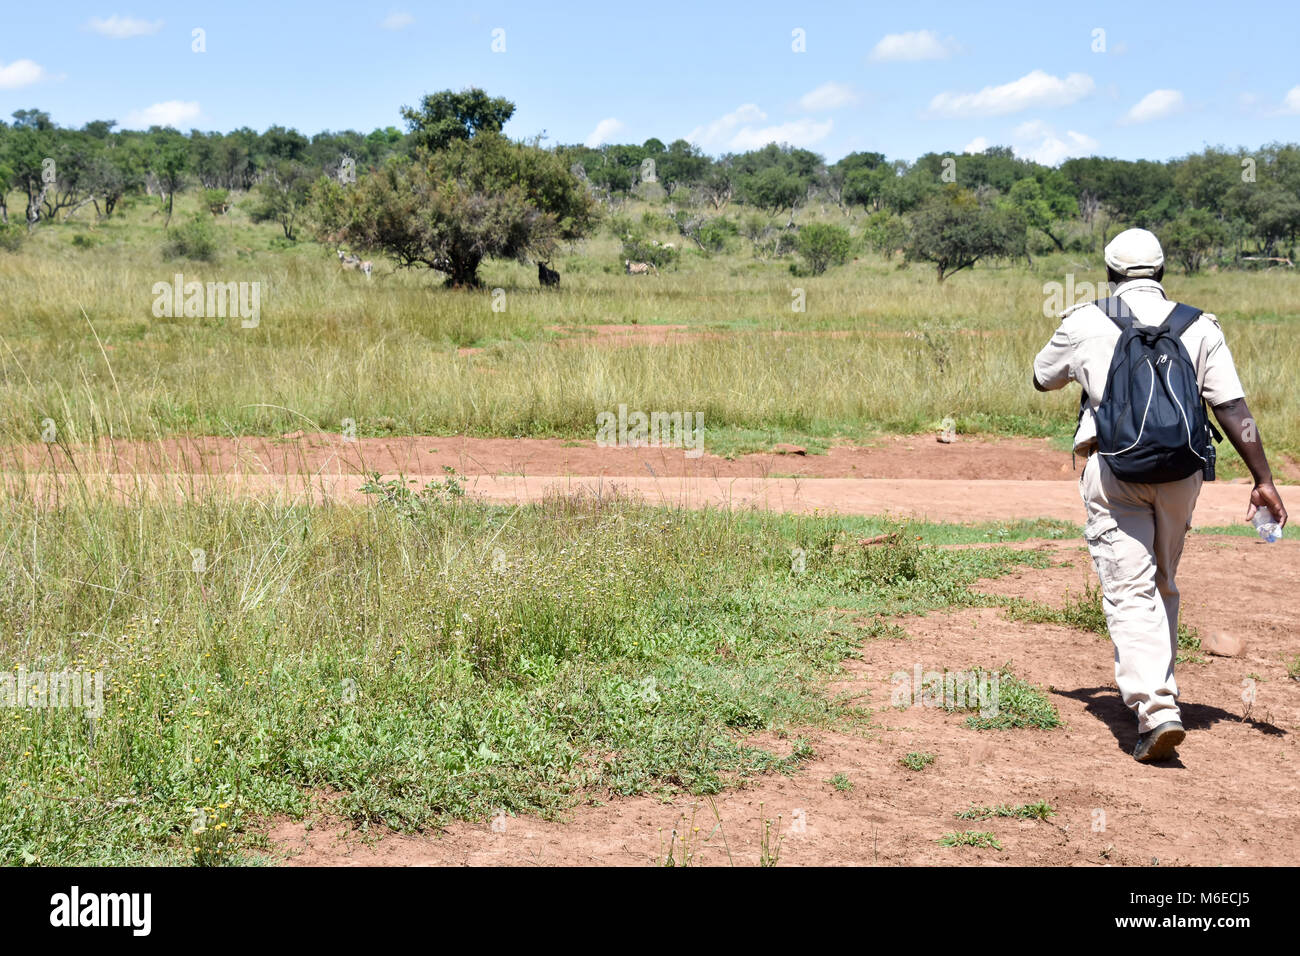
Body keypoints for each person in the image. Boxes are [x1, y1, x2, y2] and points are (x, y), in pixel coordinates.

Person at [1032, 228, 1287, 762]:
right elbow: (1232, 410)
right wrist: (1263, 479)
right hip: (1181, 472)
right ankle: (1160, 693)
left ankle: (1155, 709)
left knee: (1129, 587)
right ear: (1162, 272)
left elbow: (1042, 378)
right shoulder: (1199, 324)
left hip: (1114, 469)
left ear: (1110, 273)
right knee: (1163, 580)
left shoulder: (1084, 320)